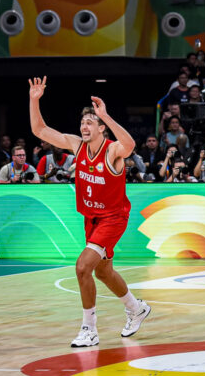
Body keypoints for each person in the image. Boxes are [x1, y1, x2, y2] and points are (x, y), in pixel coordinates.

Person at [28, 76, 151, 348]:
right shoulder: (77, 145)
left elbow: (130, 145)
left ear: (101, 129)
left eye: (90, 122)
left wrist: (105, 115)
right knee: (103, 272)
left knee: (83, 267)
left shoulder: (112, 150)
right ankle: (136, 308)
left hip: (113, 218)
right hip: (91, 219)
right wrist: (34, 100)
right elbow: (40, 130)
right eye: (82, 122)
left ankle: (89, 329)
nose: (84, 126)